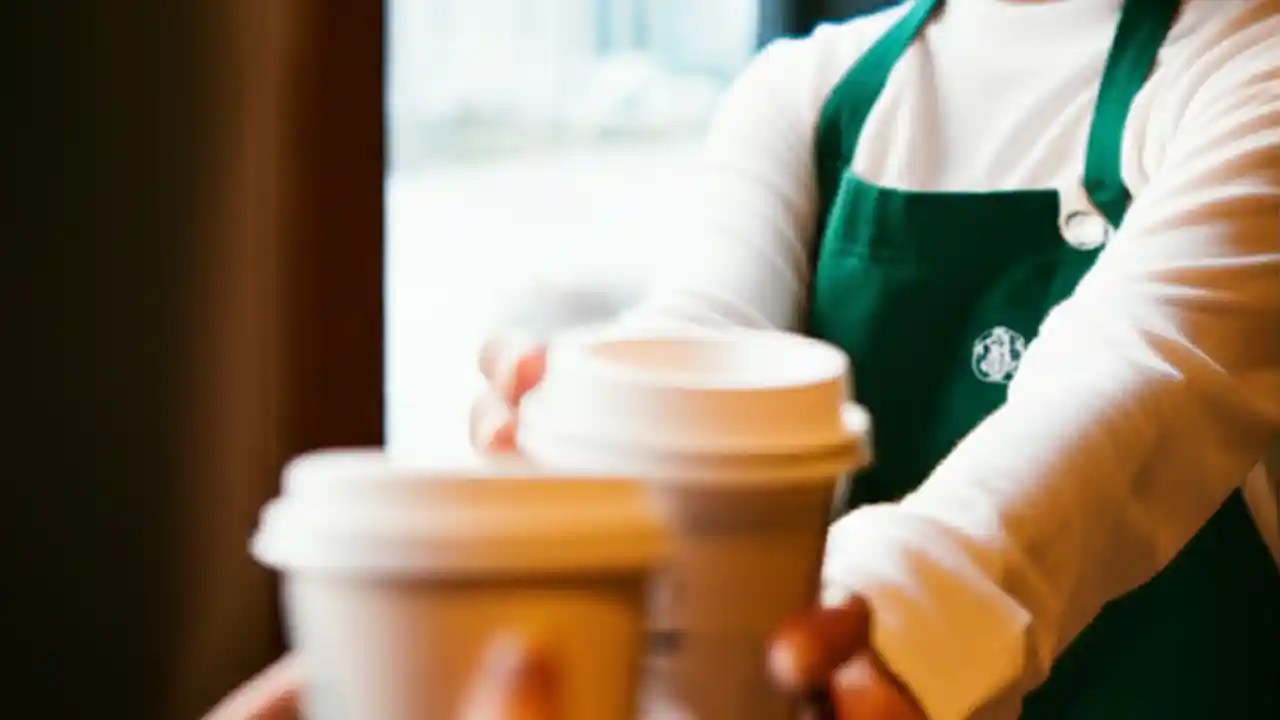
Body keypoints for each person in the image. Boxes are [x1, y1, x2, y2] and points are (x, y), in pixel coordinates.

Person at [227, 0, 1278, 717]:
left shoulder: (1247, 68)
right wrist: (592, 404)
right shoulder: (808, 90)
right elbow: (708, 336)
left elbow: (1140, 380)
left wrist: (888, 618)